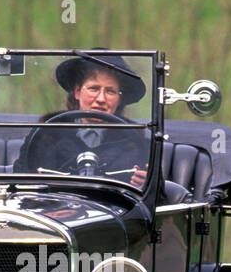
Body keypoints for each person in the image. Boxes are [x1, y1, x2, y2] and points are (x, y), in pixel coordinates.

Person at [31, 51, 149, 188]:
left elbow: (156, 198)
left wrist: (146, 185)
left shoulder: (134, 140)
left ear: (119, 99)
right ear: (77, 92)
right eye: (94, 89)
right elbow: (20, 186)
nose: (101, 99)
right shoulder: (46, 133)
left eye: (110, 91)